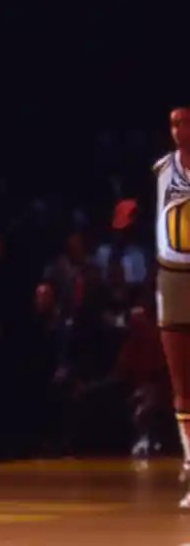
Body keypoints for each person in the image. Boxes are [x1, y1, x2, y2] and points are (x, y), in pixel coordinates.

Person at [153, 106, 190, 508]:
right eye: (173, 123)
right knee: (182, 386)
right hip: (172, 278)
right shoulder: (161, 169)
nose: (179, 129)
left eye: (186, 121)